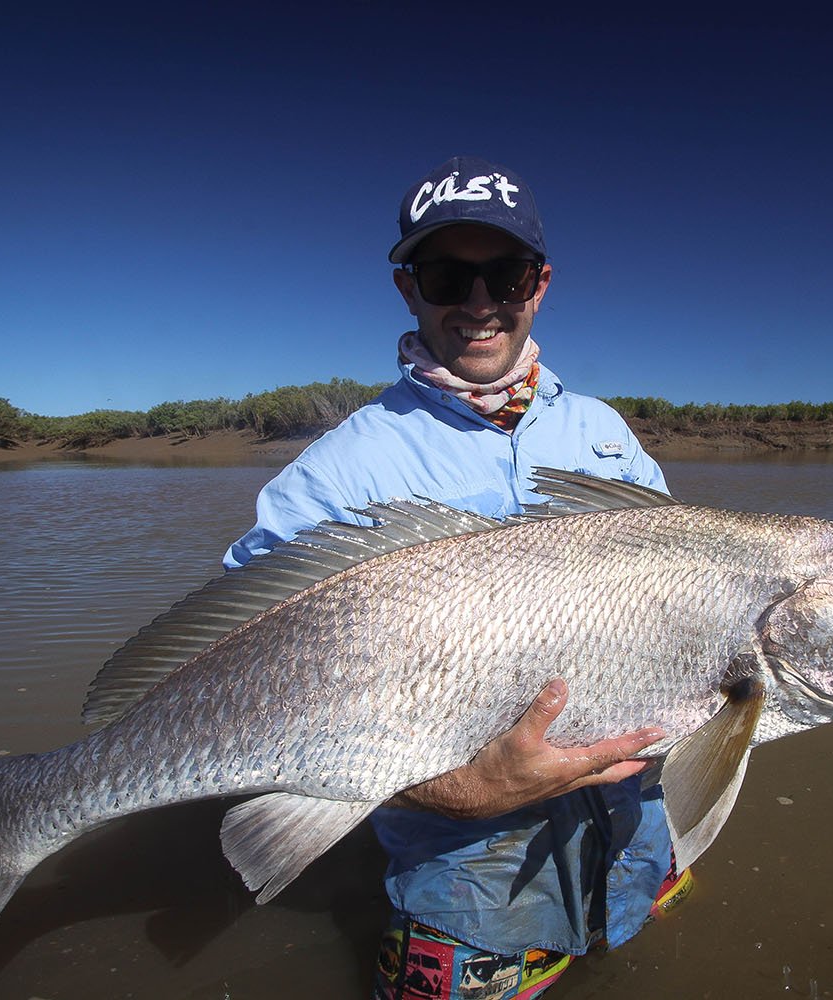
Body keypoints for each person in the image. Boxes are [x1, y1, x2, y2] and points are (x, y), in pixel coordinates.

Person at [222, 155, 689, 999]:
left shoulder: (607, 435)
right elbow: (248, 678)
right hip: (461, 869)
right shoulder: (342, 470)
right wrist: (456, 789)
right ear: (410, 289)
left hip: (632, 838)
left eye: (503, 274)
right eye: (448, 275)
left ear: (538, 283)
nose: (478, 303)